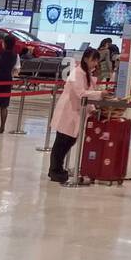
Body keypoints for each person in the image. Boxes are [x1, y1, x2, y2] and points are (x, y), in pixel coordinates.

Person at [48, 48, 103, 183]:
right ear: (85, 59)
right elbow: (81, 93)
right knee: (62, 141)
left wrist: (93, 108)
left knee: (70, 140)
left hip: (76, 112)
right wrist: (100, 94)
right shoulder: (76, 72)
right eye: (93, 60)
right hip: (68, 110)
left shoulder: (87, 73)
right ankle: (54, 170)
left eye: (96, 60)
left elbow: (88, 93)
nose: (95, 63)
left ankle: (58, 168)